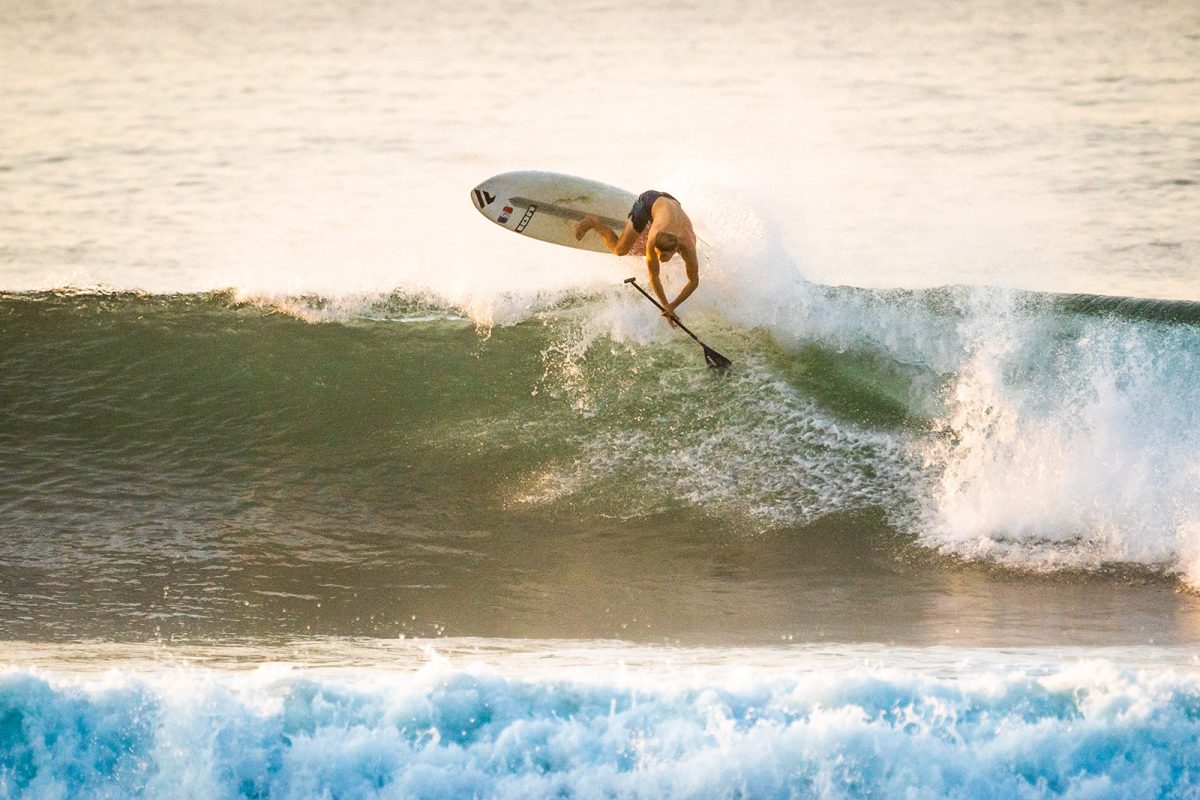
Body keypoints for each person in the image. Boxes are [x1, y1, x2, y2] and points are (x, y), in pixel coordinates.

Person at [575, 190, 699, 326]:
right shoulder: (653, 239)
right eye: (657, 252)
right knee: (620, 250)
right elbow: (654, 276)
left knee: (640, 250)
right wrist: (665, 305)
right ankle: (593, 222)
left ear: (676, 249)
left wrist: (672, 306)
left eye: (663, 255)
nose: (659, 257)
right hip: (648, 202)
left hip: (670, 202)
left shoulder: (689, 247)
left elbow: (693, 282)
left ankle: (640, 228)